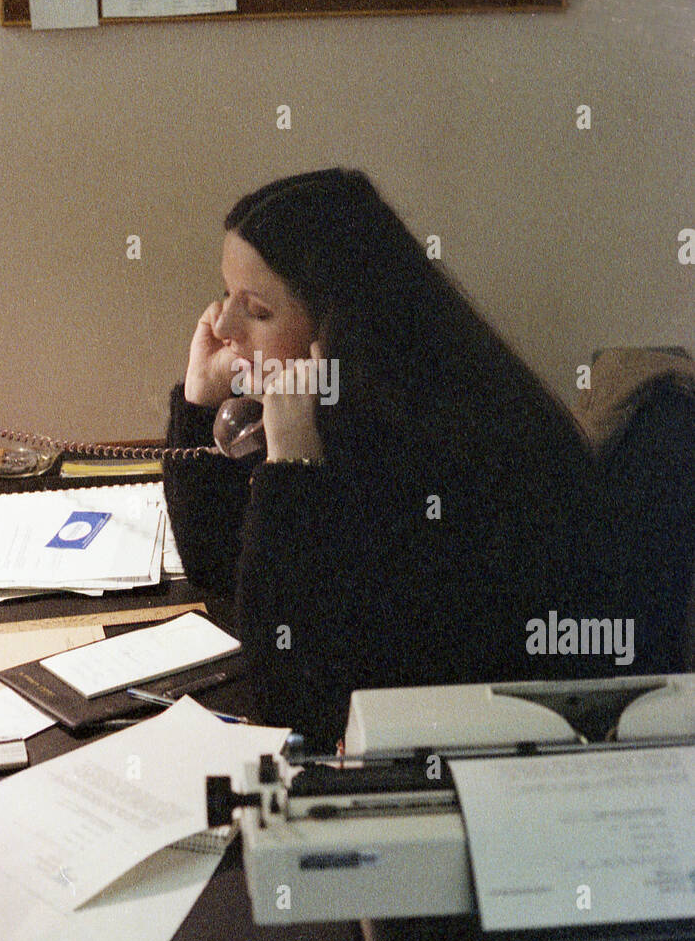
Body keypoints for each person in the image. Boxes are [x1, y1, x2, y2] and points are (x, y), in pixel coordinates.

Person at [163, 168, 608, 749]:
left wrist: (292, 472)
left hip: (483, 770)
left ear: (338, 324)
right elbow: (217, 561)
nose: (222, 326)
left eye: (258, 310)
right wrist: (203, 400)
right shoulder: (361, 401)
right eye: (227, 296)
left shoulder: (429, 451)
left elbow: (293, 700)